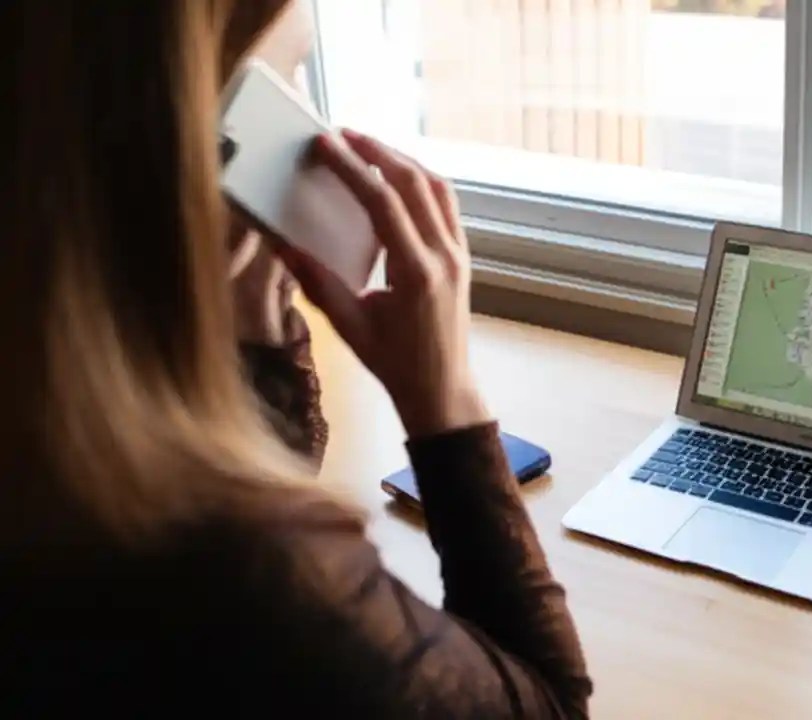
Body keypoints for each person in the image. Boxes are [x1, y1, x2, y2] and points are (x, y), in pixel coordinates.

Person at [0, 2, 592, 718]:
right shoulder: (247, 569)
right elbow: (551, 705)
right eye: (288, 79)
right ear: (193, 146)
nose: (317, 131)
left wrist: (245, 312)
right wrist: (446, 399)